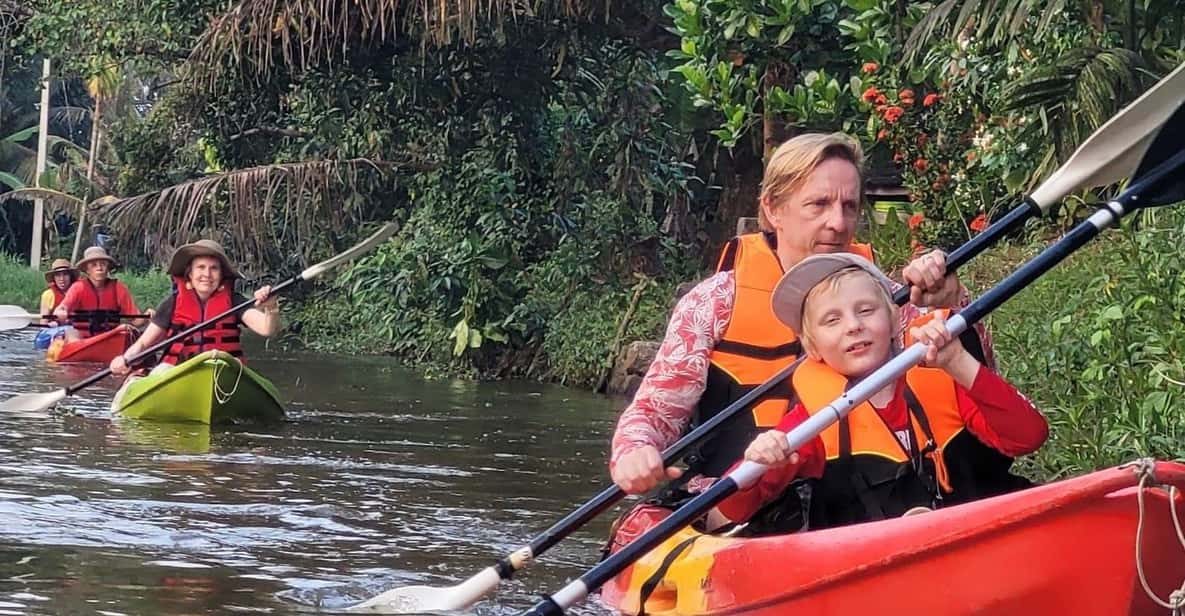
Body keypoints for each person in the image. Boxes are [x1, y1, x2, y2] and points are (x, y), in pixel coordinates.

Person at [607, 132, 994, 535]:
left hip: (865, 505)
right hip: (738, 508)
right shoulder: (716, 303)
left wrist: (952, 305)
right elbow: (653, 413)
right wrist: (635, 450)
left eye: (849, 206)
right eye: (819, 205)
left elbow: (982, 389)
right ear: (773, 209)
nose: (838, 223)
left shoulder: (888, 298)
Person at [714, 253, 1047, 528]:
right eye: (832, 320)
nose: (853, 325)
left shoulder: (942, 377)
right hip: (879, 568)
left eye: (865, 310)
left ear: (892, 319)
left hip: (978, 537)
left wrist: (960, 362)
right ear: (811, 346)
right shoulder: (811, 422)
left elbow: (1028, 436)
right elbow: (732, 509)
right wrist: (761, 458)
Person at [109, 239, 280, 378]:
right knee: (160, 372)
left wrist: (271, 307)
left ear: (221, 275)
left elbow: (266, 329)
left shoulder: (234, 301)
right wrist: (125, 359)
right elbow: (144, 343)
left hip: (223, 372)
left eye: (214, 269)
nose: (207, 274)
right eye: (201, 267)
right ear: (189, 273)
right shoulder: (173, 303)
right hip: (178, 371)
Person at [54, 246, 151, 341]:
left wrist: (148, 316)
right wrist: (60, 312)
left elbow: (137, 321)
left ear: (108, 268)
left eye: (103, 264)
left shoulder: (119, 288)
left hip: (109, 337)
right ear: (87, 270)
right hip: (82, 338)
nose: (99, 268)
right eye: (94, 265)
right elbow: (62, 308)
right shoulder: (78, 287)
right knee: (71, 333)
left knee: (126, 332)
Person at [39, 258, 77, 326]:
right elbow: (43, 322)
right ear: (54, 278)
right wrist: (51, 324)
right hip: (55, 331)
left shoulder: (78, 292)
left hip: (75, 329)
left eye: (65, 274)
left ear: (71, 276)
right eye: (58, 275)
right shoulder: (48, 294)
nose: (62, 279)